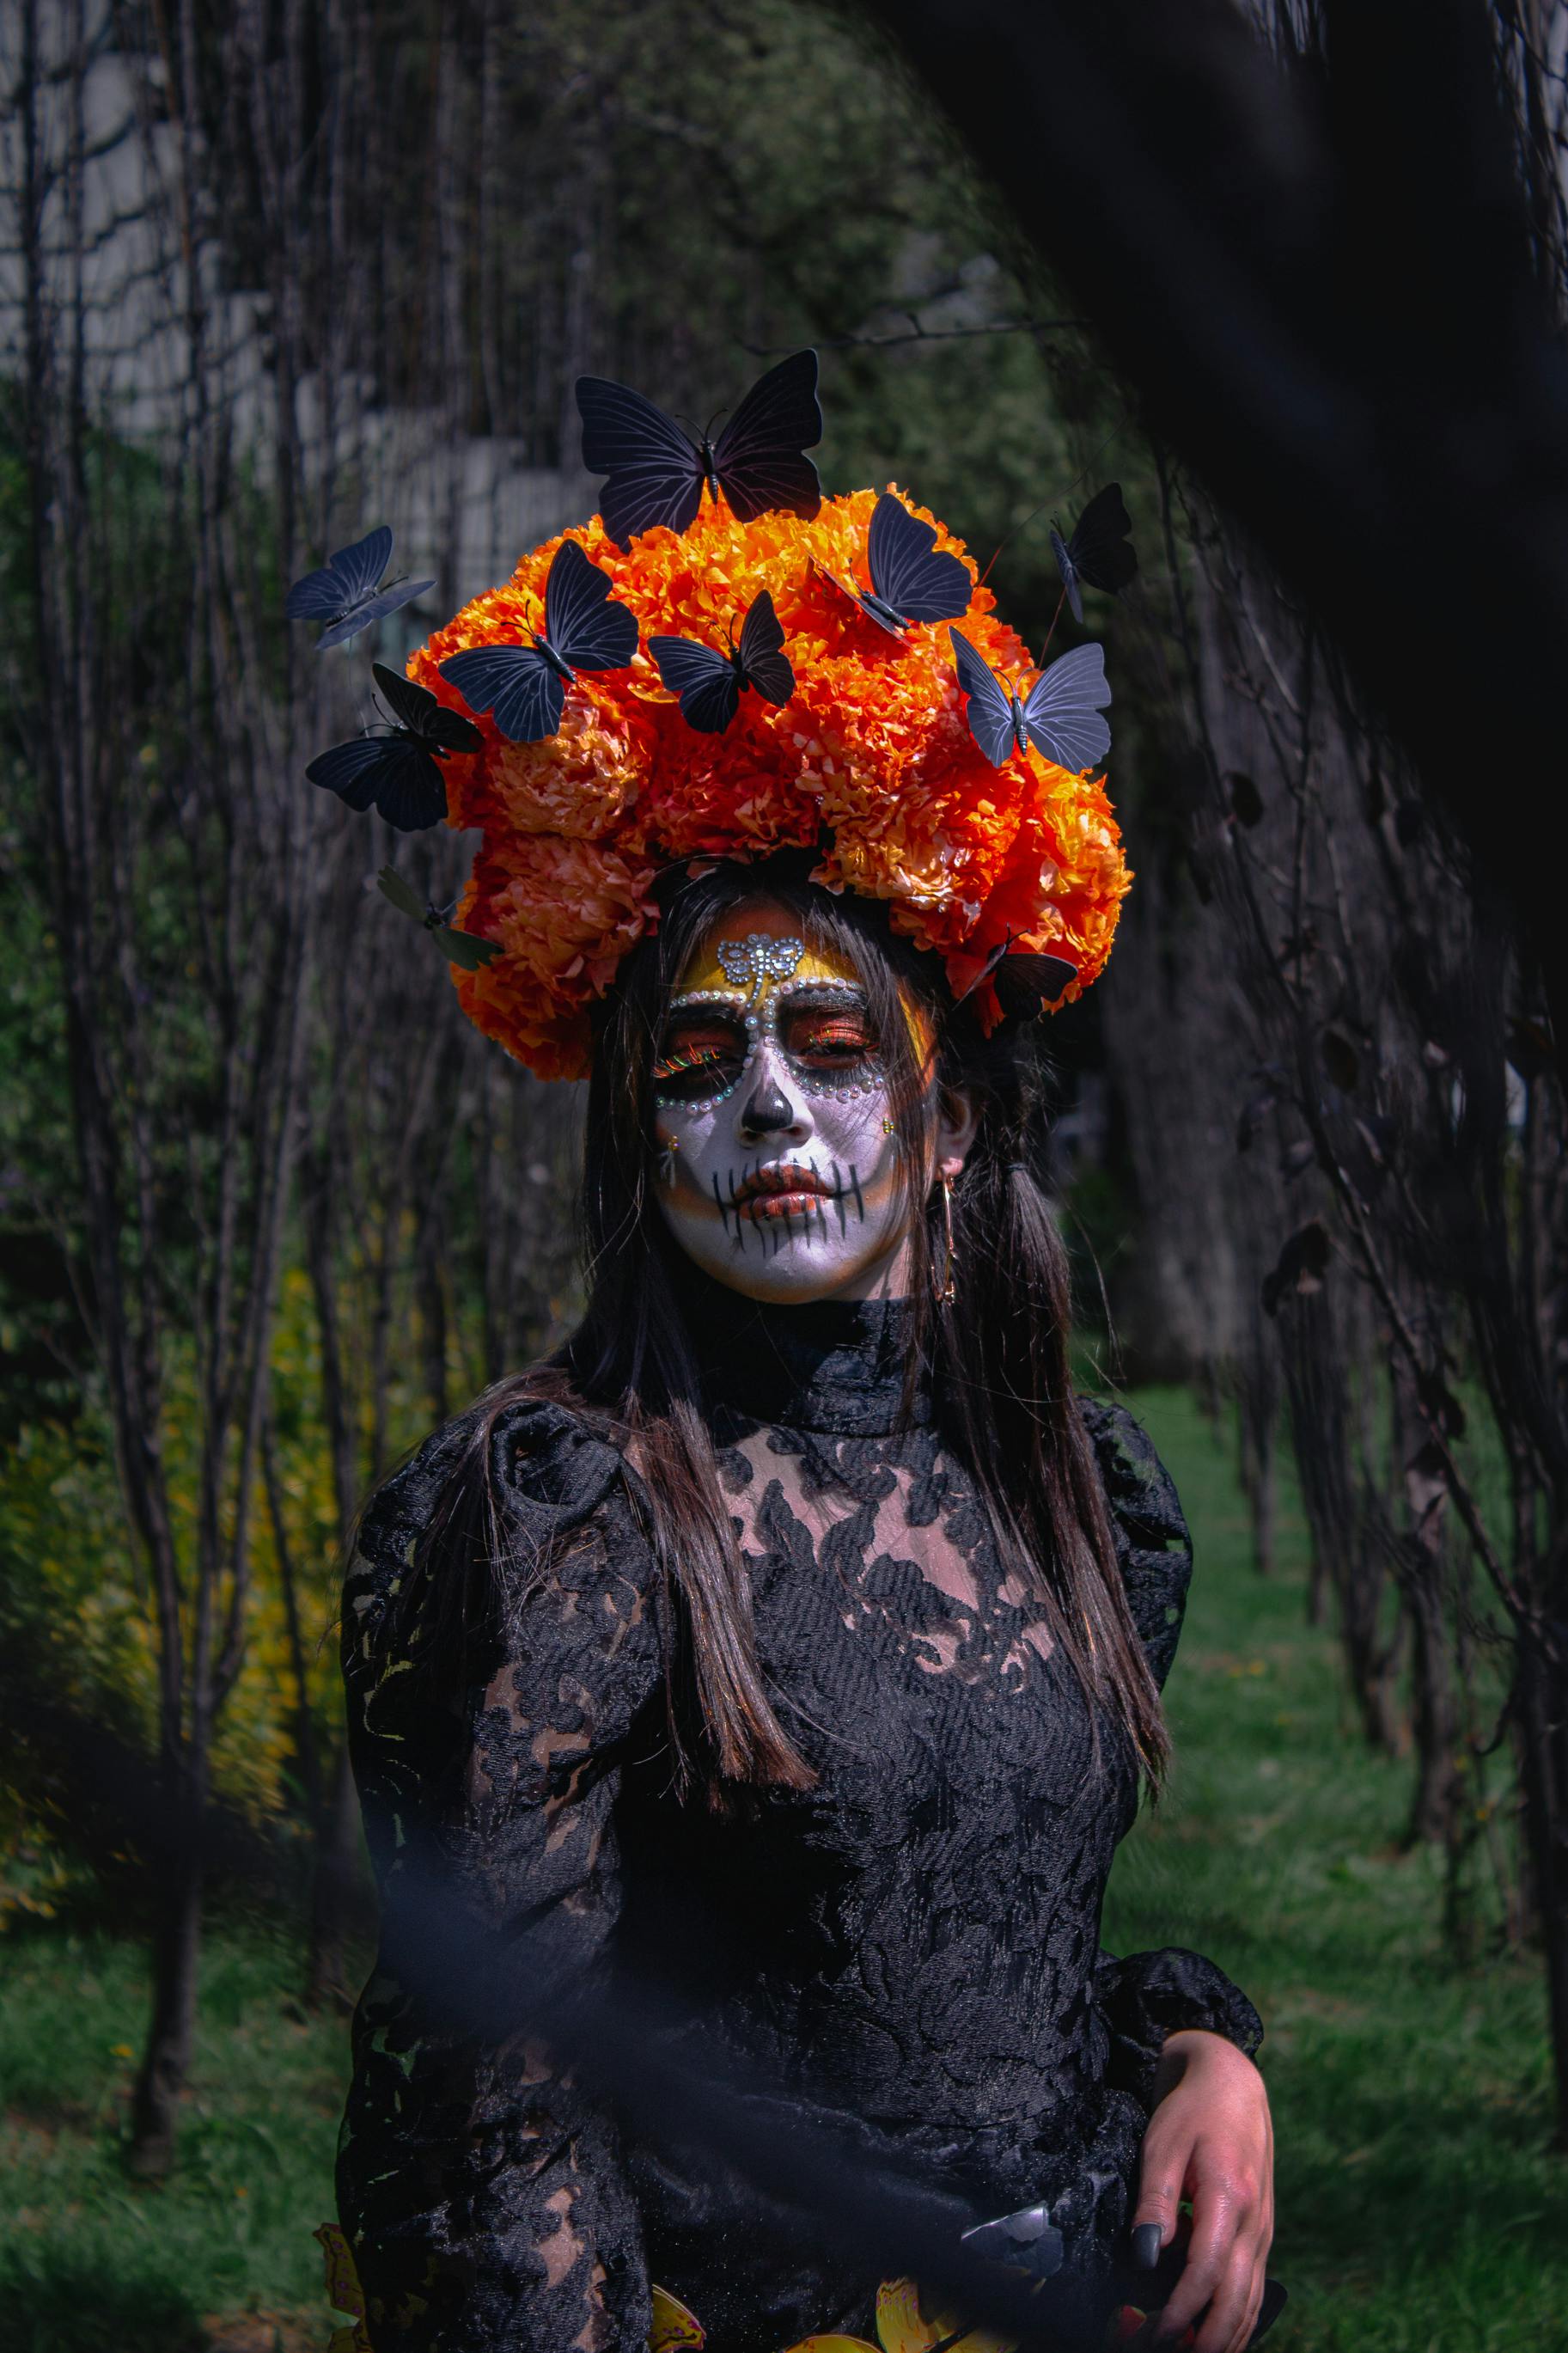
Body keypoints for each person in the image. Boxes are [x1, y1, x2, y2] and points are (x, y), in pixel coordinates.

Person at [326, 437, 1278, 2353]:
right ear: (633, 1121)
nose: (767, 1105)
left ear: (948, 1124)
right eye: (697, 1057)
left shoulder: (1068, 1489)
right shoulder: (572, 1515)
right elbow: (492, 2111)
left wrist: (1198, 2053)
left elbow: (978, 1963)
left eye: (833, 1042)